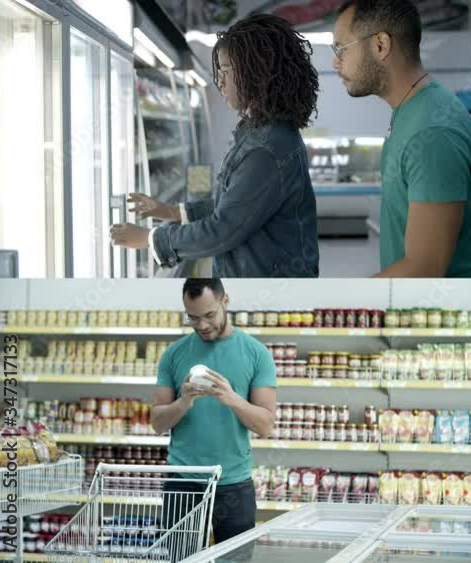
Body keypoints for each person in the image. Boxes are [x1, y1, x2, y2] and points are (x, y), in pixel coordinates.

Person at [110, 14, 320, 277]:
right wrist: (171, 211)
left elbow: (222, 230)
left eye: (224, 71)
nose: (219, 81)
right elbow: (235, 205)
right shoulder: (265, 133)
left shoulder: (265, 149)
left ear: (256, 72)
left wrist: (151, 239)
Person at [333, 0, 471, 278]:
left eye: (342, 48)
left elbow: (424, 269)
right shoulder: (409, 111)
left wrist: (350, 296)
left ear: (380, 45)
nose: (335, 62)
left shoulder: (433, 133)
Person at [153, 278, 277, 550]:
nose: (202, 325)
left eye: (209, 315)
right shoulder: (173, 354)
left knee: (235, 559)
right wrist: (183, 401)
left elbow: (266, 426)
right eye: (193, 318)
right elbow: (157, 424)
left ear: (225, 301)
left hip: (233, 482)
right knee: (181, 558)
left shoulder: (257, 353)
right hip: (183, 481)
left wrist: (232, 399)